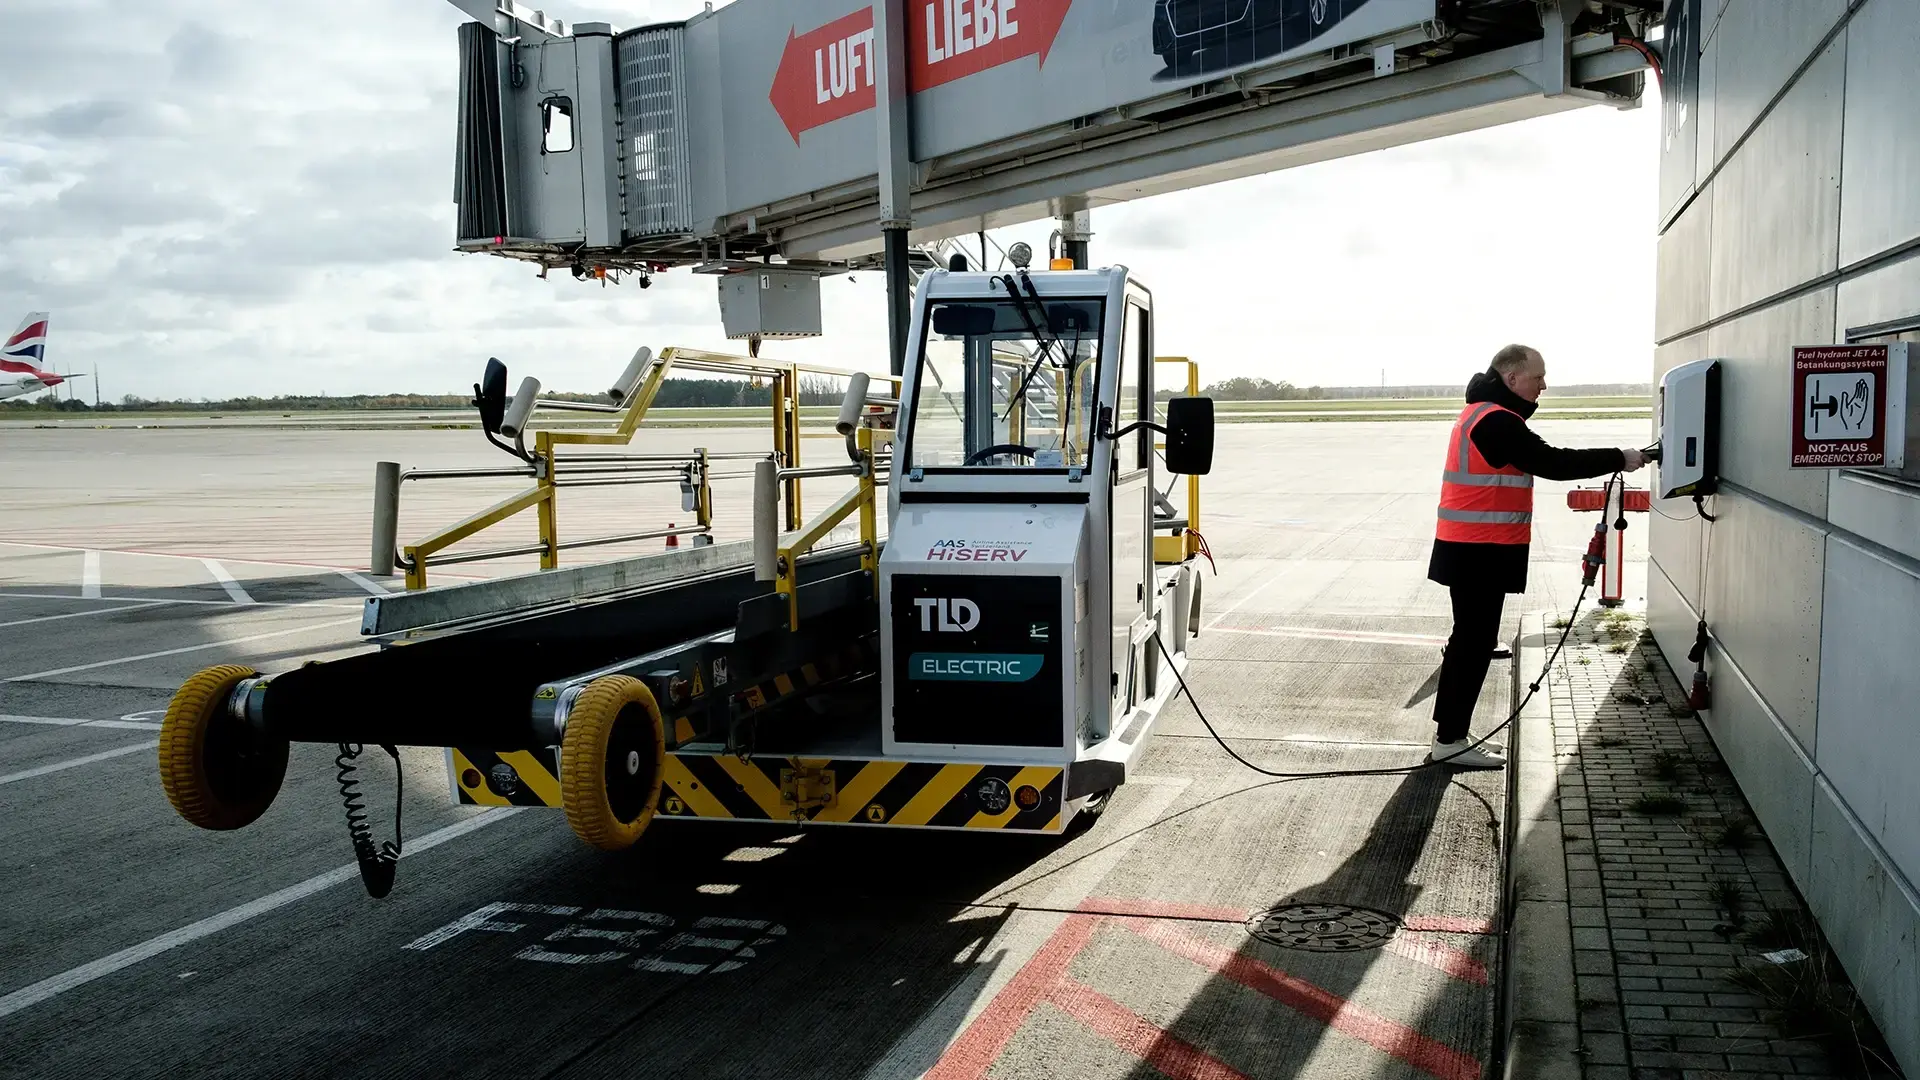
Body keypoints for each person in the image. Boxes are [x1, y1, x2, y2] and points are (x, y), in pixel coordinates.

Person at [1427, 344, 1647, 768]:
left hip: (1473, 546)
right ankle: (1450, 741)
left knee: (1471, 642)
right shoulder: (1494, 420)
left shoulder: (1483, 413)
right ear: (1511, 379)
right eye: (1538, 377)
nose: (1544, 384)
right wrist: (1621, 457)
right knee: (1472, 643)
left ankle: (1452, 735)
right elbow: (1552, 462)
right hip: (1478, 549)